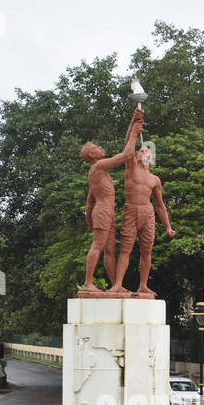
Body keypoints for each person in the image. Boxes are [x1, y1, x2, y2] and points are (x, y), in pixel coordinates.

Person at [80, 109, 143, 294]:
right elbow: (126, 155)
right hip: (104, 212)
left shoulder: (97, 174)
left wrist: (133, 121)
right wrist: (134, 133)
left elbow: (88, 204)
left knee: (109, 250)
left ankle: (116, 286)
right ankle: (88, 283)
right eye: (97, 148)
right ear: (92, 156)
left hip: (104, 213)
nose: (101, 149)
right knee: (98, 246)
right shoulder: (98, 166)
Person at [111, 139, 175, 297]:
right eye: (141, 151)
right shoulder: (131, 167)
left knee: (147, 251)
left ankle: (143, 285)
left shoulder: (155, 179)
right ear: (136, 156)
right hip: (131, 210)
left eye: (147, 151)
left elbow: (160, 205)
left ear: (152, 158)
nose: (144, 152)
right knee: (126, 249)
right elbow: (128, 145)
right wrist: (135, 122)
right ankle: (118, 284)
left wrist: (168, 226)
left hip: (148, 212)